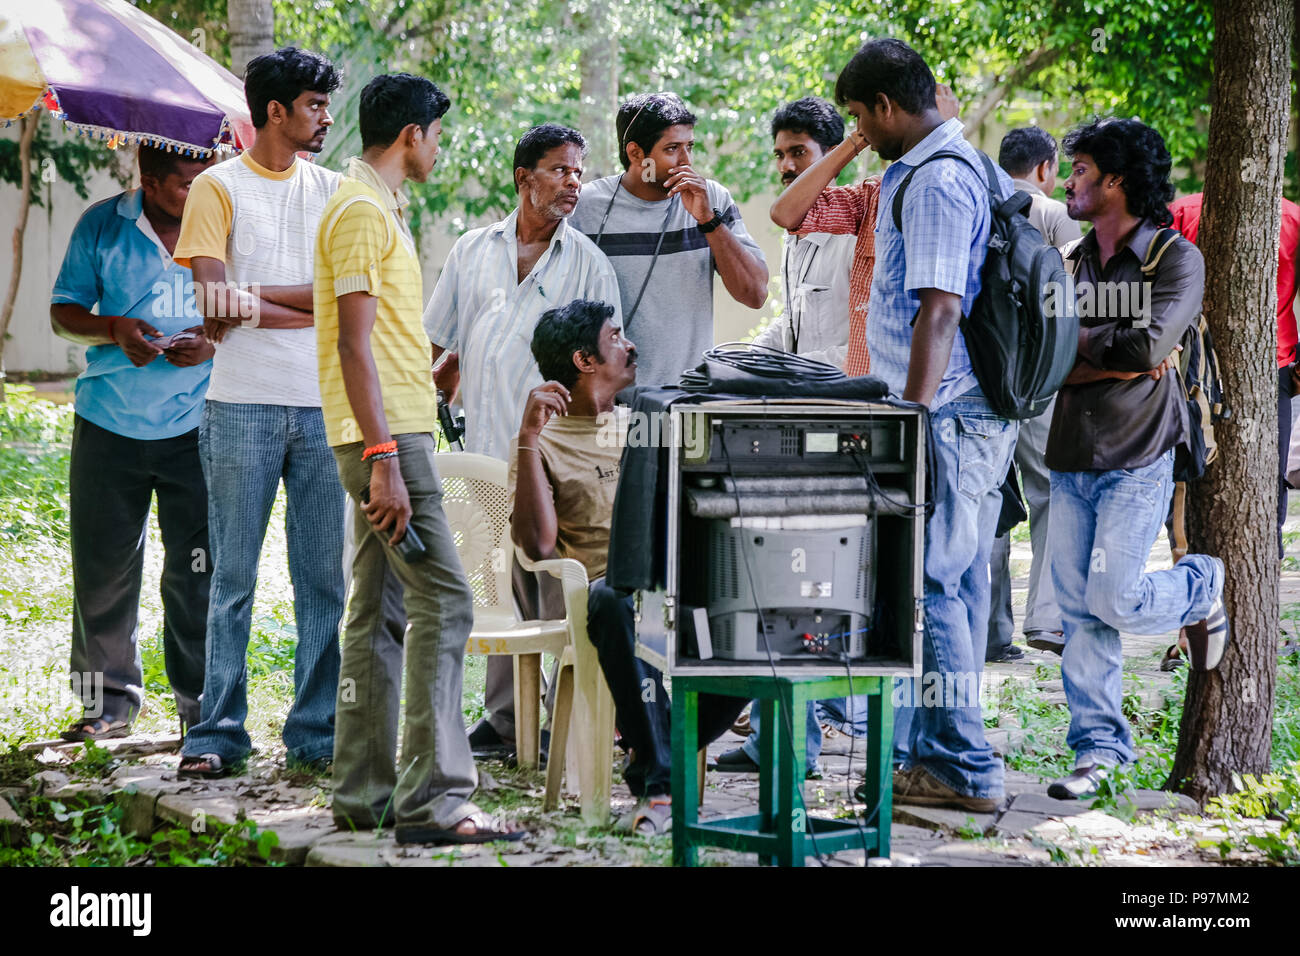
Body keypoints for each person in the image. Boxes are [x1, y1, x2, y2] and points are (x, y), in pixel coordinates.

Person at [314, 73, 521, 843]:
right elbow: (352, 344)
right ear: (412, 136)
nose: (438, 147)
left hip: (386, 434)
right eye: (436, 134)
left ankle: (363, 795)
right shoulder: (363, 211)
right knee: (446, 601)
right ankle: (434, 802)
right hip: (388, 438)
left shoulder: (371, 205)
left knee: (378, 612)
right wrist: (384, 458)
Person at [827, 38, 1017, 813]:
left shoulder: (937, 181)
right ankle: (943, 756)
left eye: (859, 120)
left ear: (886, 107)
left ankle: (965, 767)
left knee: (932, 584)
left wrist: (910, 415)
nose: (860, 136)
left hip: (946, 412)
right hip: (968, 410)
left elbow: (940, 307)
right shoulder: (961, 164)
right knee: (960, 585)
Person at [510, 298, 747, 833]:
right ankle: (659, 787)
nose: (631, 344)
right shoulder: (541, 443)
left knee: (761, 614)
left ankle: (657, 745)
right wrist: (526, 441)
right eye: (615, 337)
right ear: (584, 360)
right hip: (606, 600)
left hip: (677, 587)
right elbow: (540, 545)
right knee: (610, 597)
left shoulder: (651, 421)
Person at [172, 47, 346, 777]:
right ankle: (216, 734)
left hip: (321, 410)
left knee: (323, 585)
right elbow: (212, 299)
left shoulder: (337, 191)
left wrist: (254, 302)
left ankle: (314, 733)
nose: (326, 118)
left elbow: (342, 298)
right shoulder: (217, 187)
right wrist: (297, 300)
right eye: (314, 105)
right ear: (275, 111)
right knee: (231, 578)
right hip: (239, 407)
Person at [423, 123, 622, 759]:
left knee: (549, 580)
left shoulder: (589, 262)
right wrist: (423, 394)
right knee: (492, 581)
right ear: (523, 179)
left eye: (579, 171)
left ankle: (580, 715)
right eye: (560, 170)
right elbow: (442, 342)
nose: (573, 183)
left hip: (555, 452)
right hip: (484, 447)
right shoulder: (471, 251)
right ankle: (507, 722)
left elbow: (608, 364)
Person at [1046, 118, 1228, 799]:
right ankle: (1099, 751)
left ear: (1116, 180)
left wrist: (1086, 345)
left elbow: (1147, 351)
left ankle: (1201, 585)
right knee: (1079, 611)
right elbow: (1043, 363)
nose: (1069, 181)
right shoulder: (1064, 261)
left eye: (1082, 170)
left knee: (1114, 598)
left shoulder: (1174, 259)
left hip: (1138, 455)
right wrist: (1105, 349)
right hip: (1068, 456)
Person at [711, 97, 867, 779]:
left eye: (797, 153)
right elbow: (795, 327)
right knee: (776, 580)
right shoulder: (801, 232)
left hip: (843, 426)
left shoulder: (862, 220)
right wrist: (731, 361)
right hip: (796, 422)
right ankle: (779, 740)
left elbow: (842, 344)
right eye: (779, 154)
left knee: (814, 585)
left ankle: (817, 737)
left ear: (832, 154)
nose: (783, 166)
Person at [50, 145, 215, 741]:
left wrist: (212, 344)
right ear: (147, 180)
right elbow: (63, 312)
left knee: (196, 572)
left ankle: (201, 709)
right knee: (103, 572)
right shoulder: (102, 224)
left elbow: (253, 311)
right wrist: (114, 329)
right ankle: (105, 708)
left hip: (196, 426)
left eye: (204, 182)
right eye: (183, 185)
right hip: (107, 424)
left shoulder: (221, 222)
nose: (196, 195)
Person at [568, 92, 768, 393]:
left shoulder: (713, 199)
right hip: (606, 404)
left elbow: (755, 294)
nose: (687, 161)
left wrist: (708, 221)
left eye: (690, 147)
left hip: (687, 398)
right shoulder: (584, 207)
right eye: (672, 149)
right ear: (636, 153)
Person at [985, 126, 1082, 662]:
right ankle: (1046, 618)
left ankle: (991, 631)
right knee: (1050, 493)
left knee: (993, 500)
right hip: (1041, 383)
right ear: (1046, 168)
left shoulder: (982, 204)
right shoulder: (1052, 214)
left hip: (987, 380)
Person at [1169, 192, 1300, 560]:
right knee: (1268, 473)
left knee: (1191, 462)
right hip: (1270, 363)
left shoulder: (1182, 211)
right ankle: (1265, 563)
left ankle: (1189, 557)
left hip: (1193, 361)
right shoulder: (1291, 216)